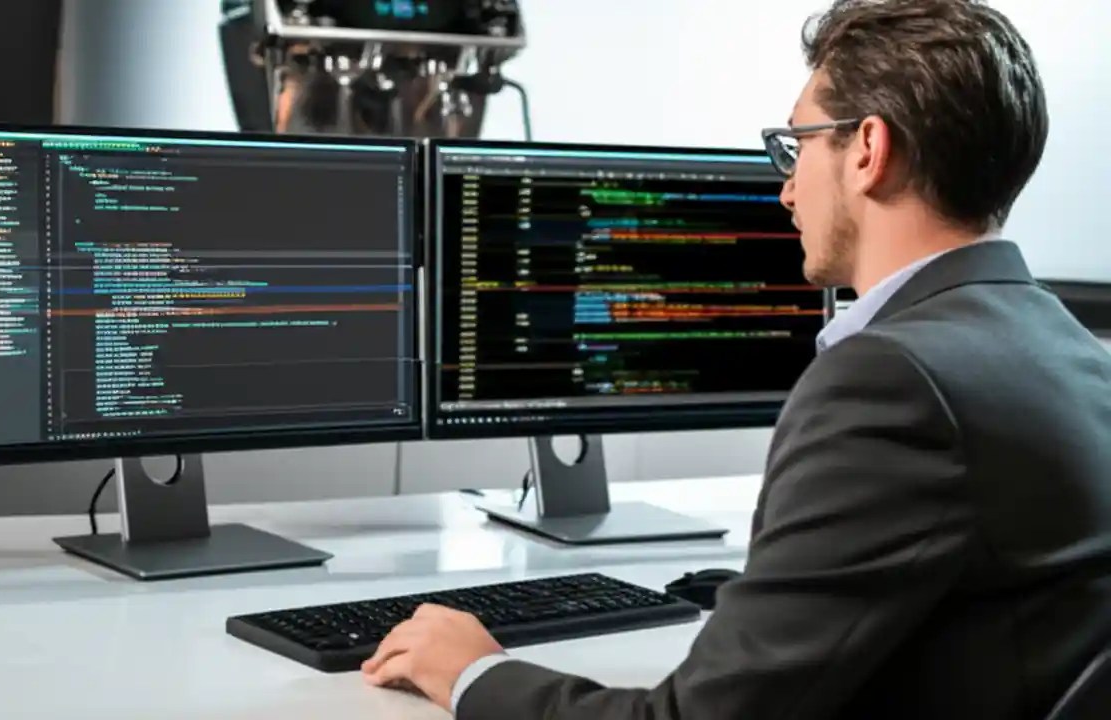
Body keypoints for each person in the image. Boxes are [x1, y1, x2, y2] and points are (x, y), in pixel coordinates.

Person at [361, 0, 1111, 717]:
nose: (785, 187)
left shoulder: (891, 382)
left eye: (797, 144)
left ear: (869, 152)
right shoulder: (1063, 346)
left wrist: (474, 673)